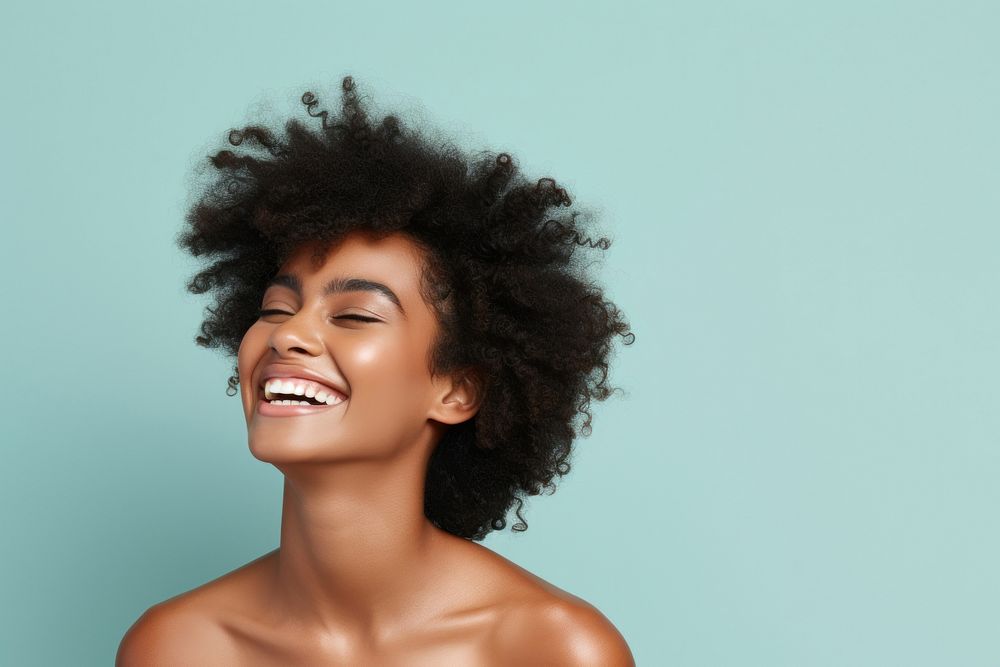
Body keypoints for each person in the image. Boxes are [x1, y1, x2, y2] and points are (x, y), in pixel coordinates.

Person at [116, 75, 636, 665]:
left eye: (355, 316)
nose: (287, 334)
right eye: (276, 308)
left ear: (457, 390)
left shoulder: (551, 649)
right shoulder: (177, 647)